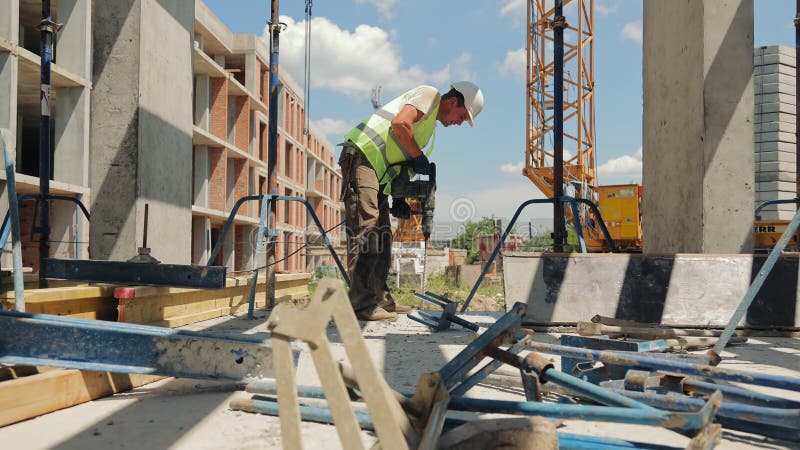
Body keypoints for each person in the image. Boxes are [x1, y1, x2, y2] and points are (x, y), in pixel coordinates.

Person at [338, 81, 484, 321]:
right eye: (462, 116)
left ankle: (380, 299)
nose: (459, 123)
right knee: (367, 229)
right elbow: (400, 124)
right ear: (452, 101)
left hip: (379, 173)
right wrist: (418, 157)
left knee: (383, 234)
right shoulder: (430, 95)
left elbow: (400, 161)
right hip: (362, 156)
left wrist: (399, 198)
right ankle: (361, 304)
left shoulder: (428, 129)